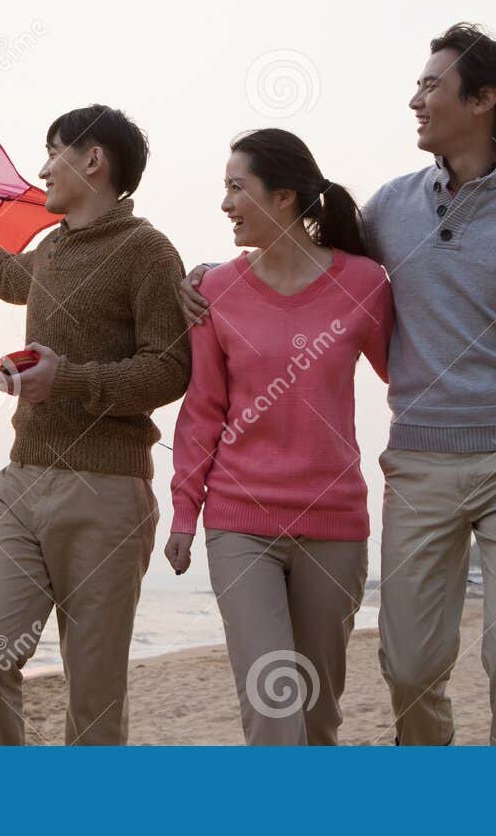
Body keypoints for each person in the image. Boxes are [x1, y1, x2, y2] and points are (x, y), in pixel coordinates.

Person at [181, 23, 496, 746]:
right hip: (420, 465)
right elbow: (302, 261)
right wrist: (208, 280)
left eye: (431, 85)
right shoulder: (389, 211)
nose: (415, 100)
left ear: (484, 98)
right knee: (409, 666)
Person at [0, 105, 192, 745]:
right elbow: (4, 275)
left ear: (92, 160)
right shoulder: (51, 250)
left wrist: (66, 380)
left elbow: (169, 371)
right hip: (24, 483)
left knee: (94, 693)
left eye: (53, 153)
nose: (44, 169)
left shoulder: (148, 250)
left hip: (107, 491)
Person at [165, 129, 393, 744]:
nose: (225, 203)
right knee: (272, 705)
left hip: (334, 523)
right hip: (239, 522)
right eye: (225, 188)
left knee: (317, 718)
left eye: (237, 188)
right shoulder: (214, 290)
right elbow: (203, 409)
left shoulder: (365, 283)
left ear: (286, 197)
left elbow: (409, 381)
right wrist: (184, 513)